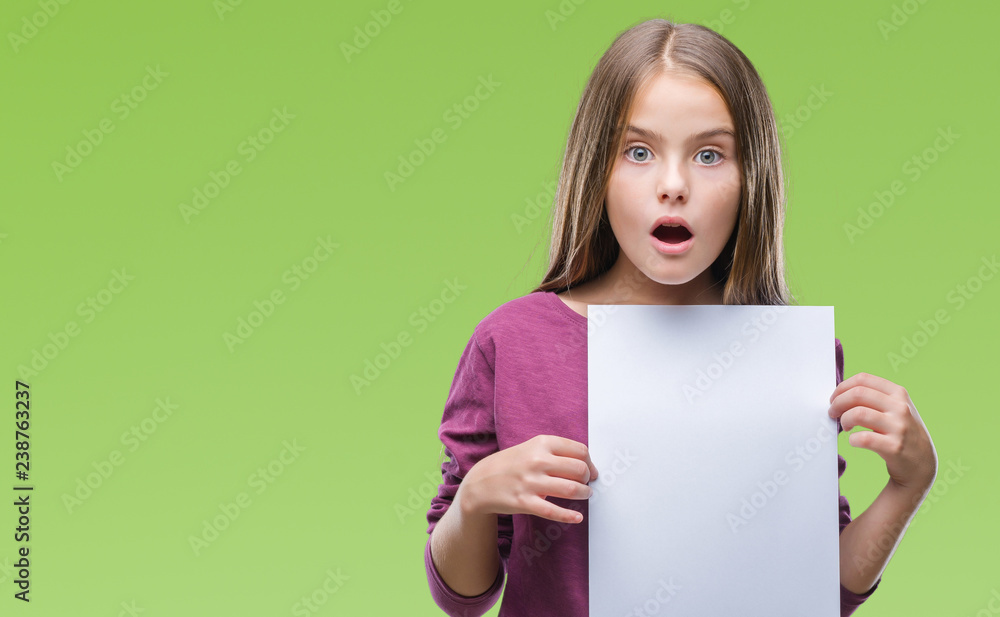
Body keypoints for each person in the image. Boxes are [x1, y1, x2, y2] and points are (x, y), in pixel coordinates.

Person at [423, 18, 937, 617]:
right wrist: (475, 500)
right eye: (638, 151)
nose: (673, 185)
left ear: (753, 181)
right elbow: (461, 598)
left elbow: (817, 592)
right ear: (598, 171)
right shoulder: (512, 341)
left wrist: (909, 485)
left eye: (710, 154)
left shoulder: (791, 358)